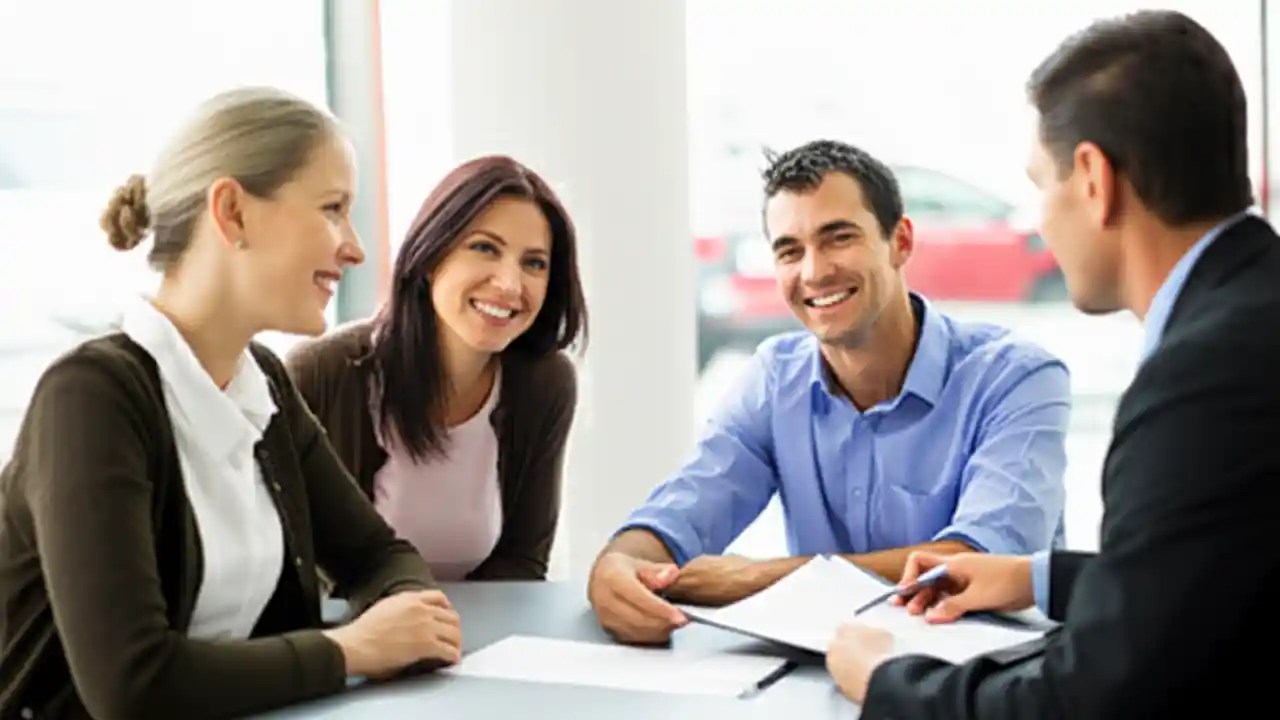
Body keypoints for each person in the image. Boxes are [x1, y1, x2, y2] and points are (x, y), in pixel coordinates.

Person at [826, 10, 1280, 717]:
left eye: (1042, 183)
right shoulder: (1253, 307)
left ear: (1094, 179)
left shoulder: (1205, 376)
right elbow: (1214, 570)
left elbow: (1091, 698)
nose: (1040, 218)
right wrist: (1034, 578)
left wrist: (888, 680)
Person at [0, 87, 463, 720]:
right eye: (332, 209)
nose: (352, 246)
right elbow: (132, 684)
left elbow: (375, 555)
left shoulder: (261, 386)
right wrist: (350, 650)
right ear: (233, 213)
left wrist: (411, 614)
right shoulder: (91, 400)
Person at [589, 139, 1071, 644]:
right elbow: (680, 514)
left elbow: (979, 564)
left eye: (838, 238)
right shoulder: (776, 379)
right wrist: (618, 567)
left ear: (900, 241)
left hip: (984, 692)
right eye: (790, 250)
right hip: (824, 681)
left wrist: (746, 579)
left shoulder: (1017, 378)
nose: (814, 272)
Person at [285, 155, 586, 582]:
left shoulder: (544, 383)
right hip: (353, 639)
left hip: (474, 640)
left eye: (533, 263)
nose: (510, 284)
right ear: (430, 256)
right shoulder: (323, 373)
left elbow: (522, 563)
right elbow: (300, 572)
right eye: (485, 248)